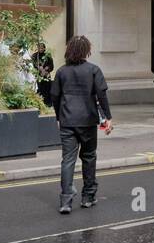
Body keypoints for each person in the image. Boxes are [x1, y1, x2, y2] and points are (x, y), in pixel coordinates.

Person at [51, 35, 112, 213]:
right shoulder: (94, 70)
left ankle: (65, 201)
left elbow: (54, 96)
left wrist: (58, 116)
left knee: (67, 160)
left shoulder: (62, 71)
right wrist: (108, 117)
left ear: (69, 50)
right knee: (89, 157)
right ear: (86, 50)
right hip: (87, 121)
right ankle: (88, 196)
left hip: (67, 121)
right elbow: (102, 95)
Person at [32, 42, 55, 107]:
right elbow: (33, 65)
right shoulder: (35, 56)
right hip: (38, 76)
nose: (40, 49)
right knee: (39, 90)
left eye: (42, 48)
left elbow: (52, 66)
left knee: (48, 90)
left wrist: (46, 70)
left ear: (44, 48)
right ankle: (40, 104)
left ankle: (48, 104)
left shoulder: (48, 55)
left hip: (46, 75)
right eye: (39, 48)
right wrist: (39, 68)